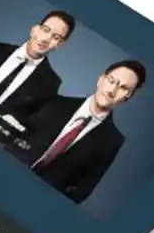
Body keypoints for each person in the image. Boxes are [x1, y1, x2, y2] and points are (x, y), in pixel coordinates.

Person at [23, 59, 147, 203]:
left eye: (123, 88)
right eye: (111, 80)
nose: (112, 91)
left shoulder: (112, 141)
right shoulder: (56, 103)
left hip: (40, 202)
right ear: (101, 79)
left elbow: (82, 191)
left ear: (128, 96)